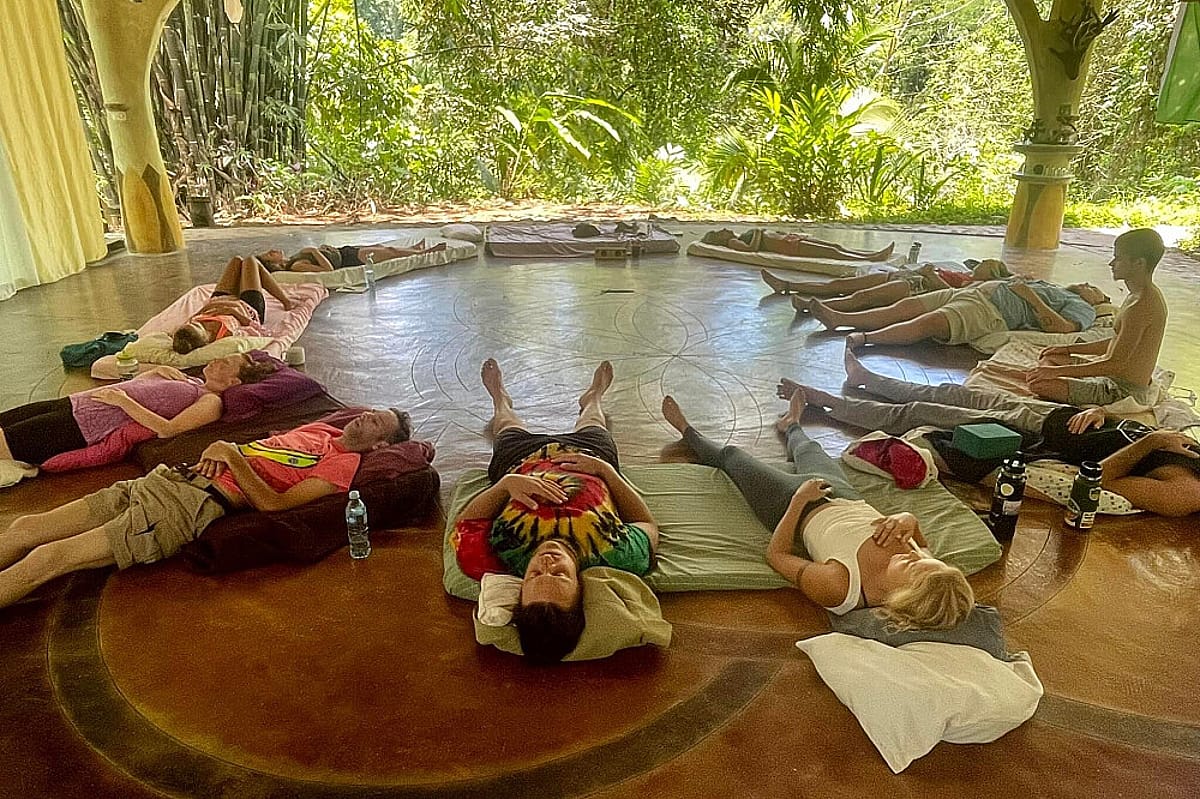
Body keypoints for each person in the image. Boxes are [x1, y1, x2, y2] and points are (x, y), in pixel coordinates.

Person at [0, 408, 410, 609]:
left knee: (50, 557)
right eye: (369, 413)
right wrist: (226, 452)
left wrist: (230, 457)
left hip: (188, 506)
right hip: (166, 479)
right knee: (27, 526)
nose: (364, 419)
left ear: (381, 446)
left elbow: (275, 505)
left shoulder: (342, 465)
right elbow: (263, 450)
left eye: (376, 424)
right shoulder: (322, 429)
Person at [659, 391, 973, 630]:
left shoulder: (840, 587)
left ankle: (688, 431)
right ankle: (791, 423)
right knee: (810, 449)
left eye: (914, 566)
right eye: (928, 560)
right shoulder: (928, 570)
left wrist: (798, 500)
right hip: (843, 495)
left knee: (733, 457)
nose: (917, 555)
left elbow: (777, 557)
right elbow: (917, 536)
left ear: (901, 598)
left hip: (791, 503)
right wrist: (908, 519)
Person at [780, 348, 1200, 517]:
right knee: (950, 392)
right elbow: (1140, 426)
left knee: (923, 413)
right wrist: (1100, 409)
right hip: (1056, 415)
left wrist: (1153, 441)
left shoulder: (1185, 495)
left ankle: (823, 401)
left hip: (1035, 441)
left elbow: (1094, 485)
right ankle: (868, 378)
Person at [452, 359, 659, 663]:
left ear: (520, 586)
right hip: (589, 456)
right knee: (594, 423)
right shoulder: (615, 556)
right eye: (561, 574)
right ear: (581, 590)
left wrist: (508, 484)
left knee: (507, 426)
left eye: (536, 573)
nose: (548, 561)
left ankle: (500, 397)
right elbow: (646, 524)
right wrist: (605, 471)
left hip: (519, 462)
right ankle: (594, 397)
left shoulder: (500, 554)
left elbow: (465, 522)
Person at [0, 355, 277, 471]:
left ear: (234, 382)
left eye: (226, 363)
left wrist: (122, 402)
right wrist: (156, 371)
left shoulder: (211, 402)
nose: (216, 360)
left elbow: (167, 429)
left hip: (83, 425)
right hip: (75, 403)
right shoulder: (192, 381)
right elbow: (141, 384)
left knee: (7, 442)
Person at [1026, 228, 1168, 407]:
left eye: (1118, 258)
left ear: (1139, 263)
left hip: (1123, 391)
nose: (1112, 263)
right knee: (1052, 358)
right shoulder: (1135, 295)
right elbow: (1116, 342)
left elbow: (1115, 364)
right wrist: (1067, 349)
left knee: (1038, 383)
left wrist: (1054, 373)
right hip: (1109, 375)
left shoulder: (1142, 305)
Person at [807, 277, 1109, 350]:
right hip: (973, 292)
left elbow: (1064, 329)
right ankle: (839, 318)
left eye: (1093, 287)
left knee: (926, 323)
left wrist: (1030, 296)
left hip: (990, 310)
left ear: (1098, 299)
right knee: (905, 307)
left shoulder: (1082, 307)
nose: (1086, 284)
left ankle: (865, 338)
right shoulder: (1059, 288)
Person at [763, 260, 1012, 314]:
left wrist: (932, 276)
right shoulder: (965, 271)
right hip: (907, 276)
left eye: (988, 264)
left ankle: (815, 306)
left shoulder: (981, 287)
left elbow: (948, 295)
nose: (982, 264)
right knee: (842, 283)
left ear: (994, 274)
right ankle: (786, 284)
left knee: (863, 296)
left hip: (918, 288)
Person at [171, 256, 295, 354]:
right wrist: (233, 312)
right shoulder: (227, 335)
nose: (195, 322)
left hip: (219, 299)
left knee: (237, 260)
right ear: (204, 337)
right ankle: (285, 301)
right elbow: (259, 331)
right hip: (248, 306)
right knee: (250, 261)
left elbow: (197, 315)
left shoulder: (188, 328)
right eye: (197, 325)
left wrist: (208, 308)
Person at [701, 228, 895, 262]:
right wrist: (759, 234)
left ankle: (868, 255)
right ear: (719, 238)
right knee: (831, 253)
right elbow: (751, 250)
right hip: (787, 247)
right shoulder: (733, 241)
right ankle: (870, 258)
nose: (724, 229)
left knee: (835, 246)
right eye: (719, 232)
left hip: (790, 239)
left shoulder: (739, 235)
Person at [255, 240, 447, 273]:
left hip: (343, 251)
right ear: (275, 265)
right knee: (389, 253)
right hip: (348, 259)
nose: (273, 250)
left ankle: (414, 248)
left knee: (381, 247)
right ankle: (424, 253)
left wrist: (321, 250)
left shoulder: (293, 258)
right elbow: (327, 270)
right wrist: (314, 251)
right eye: (269, 255)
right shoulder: (295, 266)